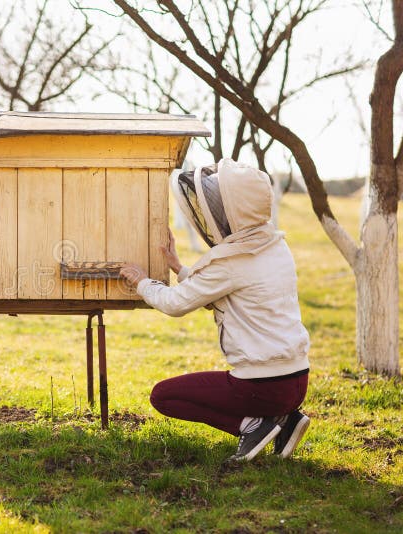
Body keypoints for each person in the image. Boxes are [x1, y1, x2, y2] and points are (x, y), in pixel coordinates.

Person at [119, 158, 310, 462]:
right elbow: (225, 291)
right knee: (190, 391)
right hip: (297, 380)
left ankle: (253, 425)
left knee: (164, 396)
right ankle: (285, 420)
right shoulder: (274, 246)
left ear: (232, 211)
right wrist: (179, 267)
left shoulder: (233, 261)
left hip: (261, 387)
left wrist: (142, 282)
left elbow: (175, 303)